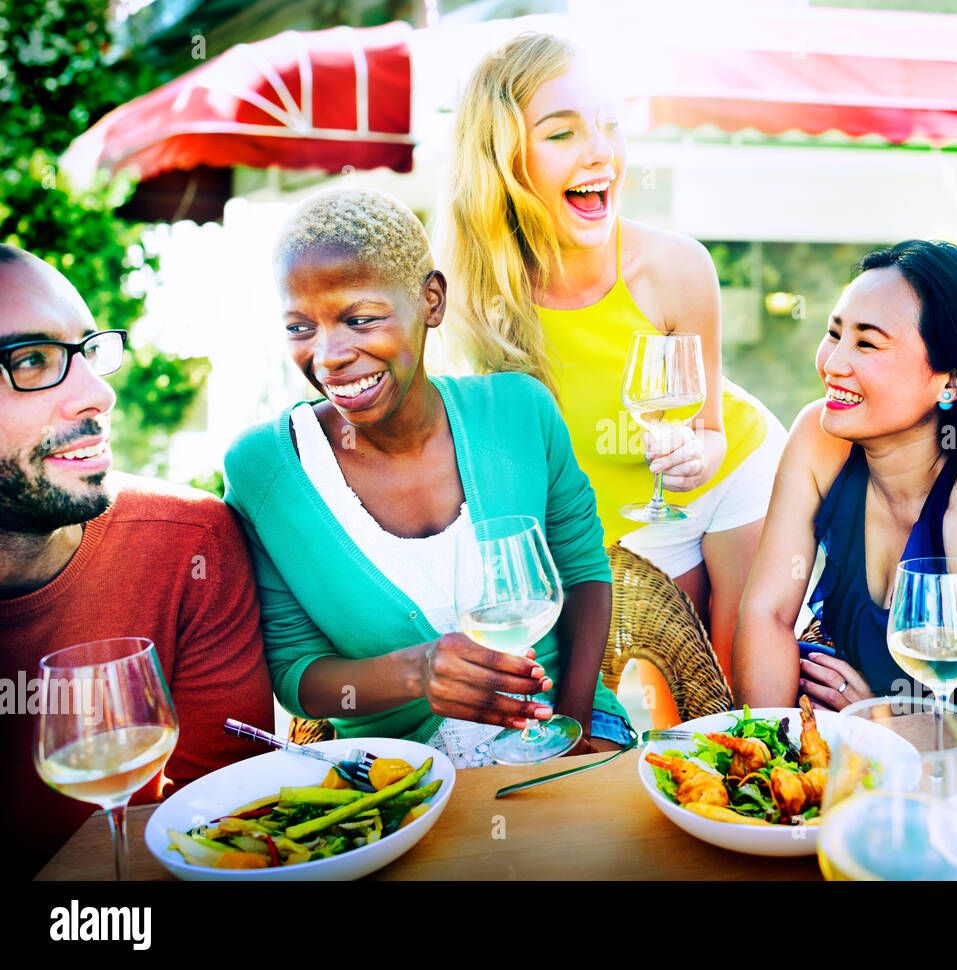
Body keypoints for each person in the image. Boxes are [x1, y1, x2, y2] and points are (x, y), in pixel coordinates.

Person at [222, 187, 632, 768]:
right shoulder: (265, 472)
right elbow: (295, 674)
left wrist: (571, 726)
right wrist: (415, 673)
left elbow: (585, 571)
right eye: (300, 328)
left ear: (430, 301)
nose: (329, 354)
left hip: (570, 721)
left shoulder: (519, 411)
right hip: (403, 767)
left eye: (359, 319)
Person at [436, 33, 786, 707]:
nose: (601, 151)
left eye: (609, 126)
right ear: (503, 160)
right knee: (643, 707)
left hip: (722, 479)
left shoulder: (676, 268)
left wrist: (695, 452)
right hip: (606, 521)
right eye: (562, 133)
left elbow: (711, 429)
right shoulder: (472, 298)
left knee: (737, 688)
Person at [734, 240, 957, 720]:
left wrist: (883, 722)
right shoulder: (820, 438)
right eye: (834, 333)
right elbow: (767, 614)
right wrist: (769, 758)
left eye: (867, 343)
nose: (832, 363)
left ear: (949, 382)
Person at [0, 245, 274, 878]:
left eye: (89, 350)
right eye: (33, 360)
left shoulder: (186, 542)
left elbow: (223, 828)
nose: (98, 394)